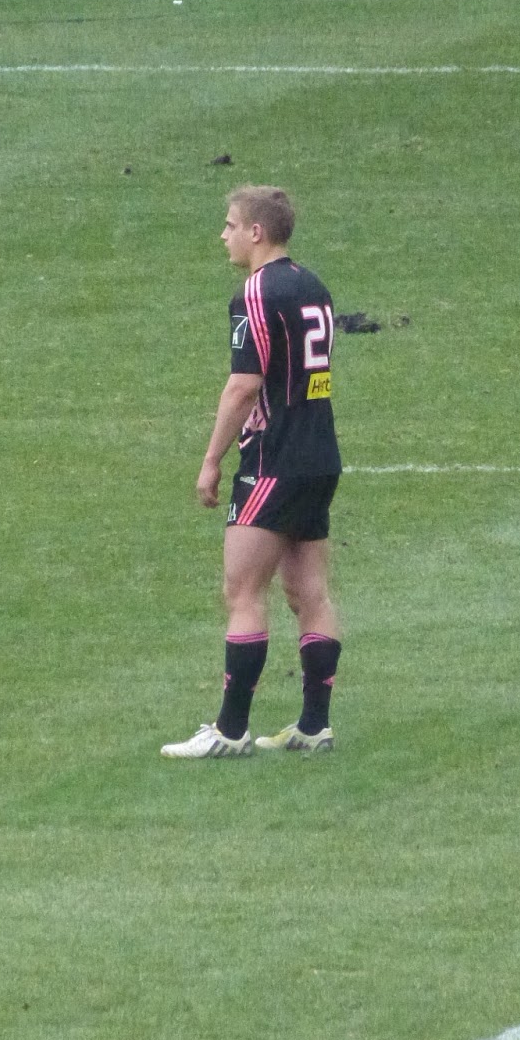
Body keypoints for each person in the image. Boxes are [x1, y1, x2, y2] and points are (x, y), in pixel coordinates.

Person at [161, 186, 343, 758]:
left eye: (230, 224)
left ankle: (230, 731)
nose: (224, 234)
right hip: (320, 455)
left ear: (256, 232)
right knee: (310, 593)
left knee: (242, 590)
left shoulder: (257, 292)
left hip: (273, 458)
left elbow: (244, 385)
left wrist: (212, 459)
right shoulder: (313, 285)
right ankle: (315, 725)